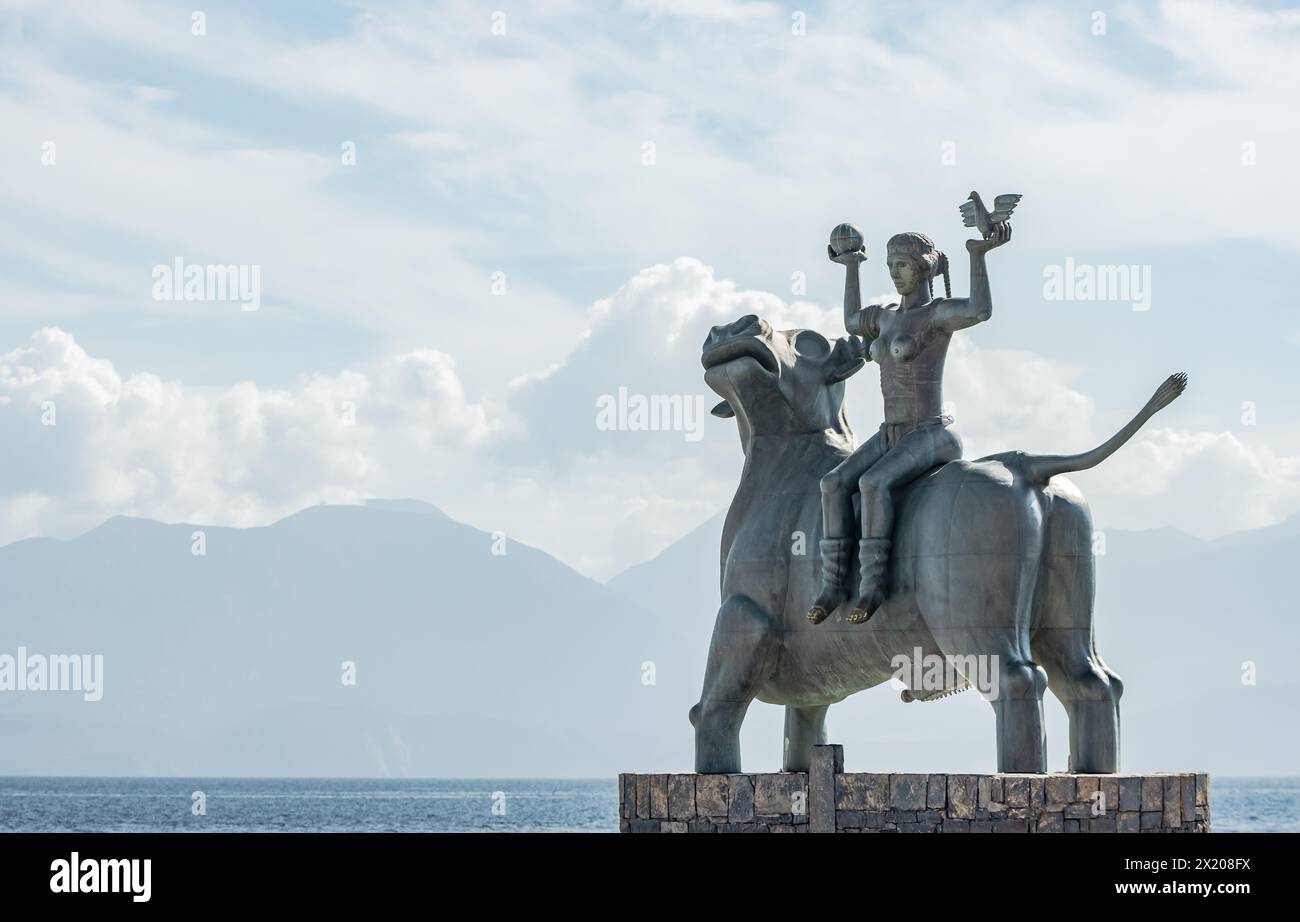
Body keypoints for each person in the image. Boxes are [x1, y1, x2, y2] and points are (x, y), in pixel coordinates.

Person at [807, 221, 1011, 625]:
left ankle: (873, 585)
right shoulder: (884, 318)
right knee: (832, 483)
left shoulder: (935, 316)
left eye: (901, 264)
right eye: (890, 265)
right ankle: (831, 585)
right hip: (891, 433)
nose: (895, 273)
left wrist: (977, 256)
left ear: (923, 268)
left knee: (873, 483)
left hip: (931, 431)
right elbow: (851, 321)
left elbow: (979, 310)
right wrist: (852, 266)